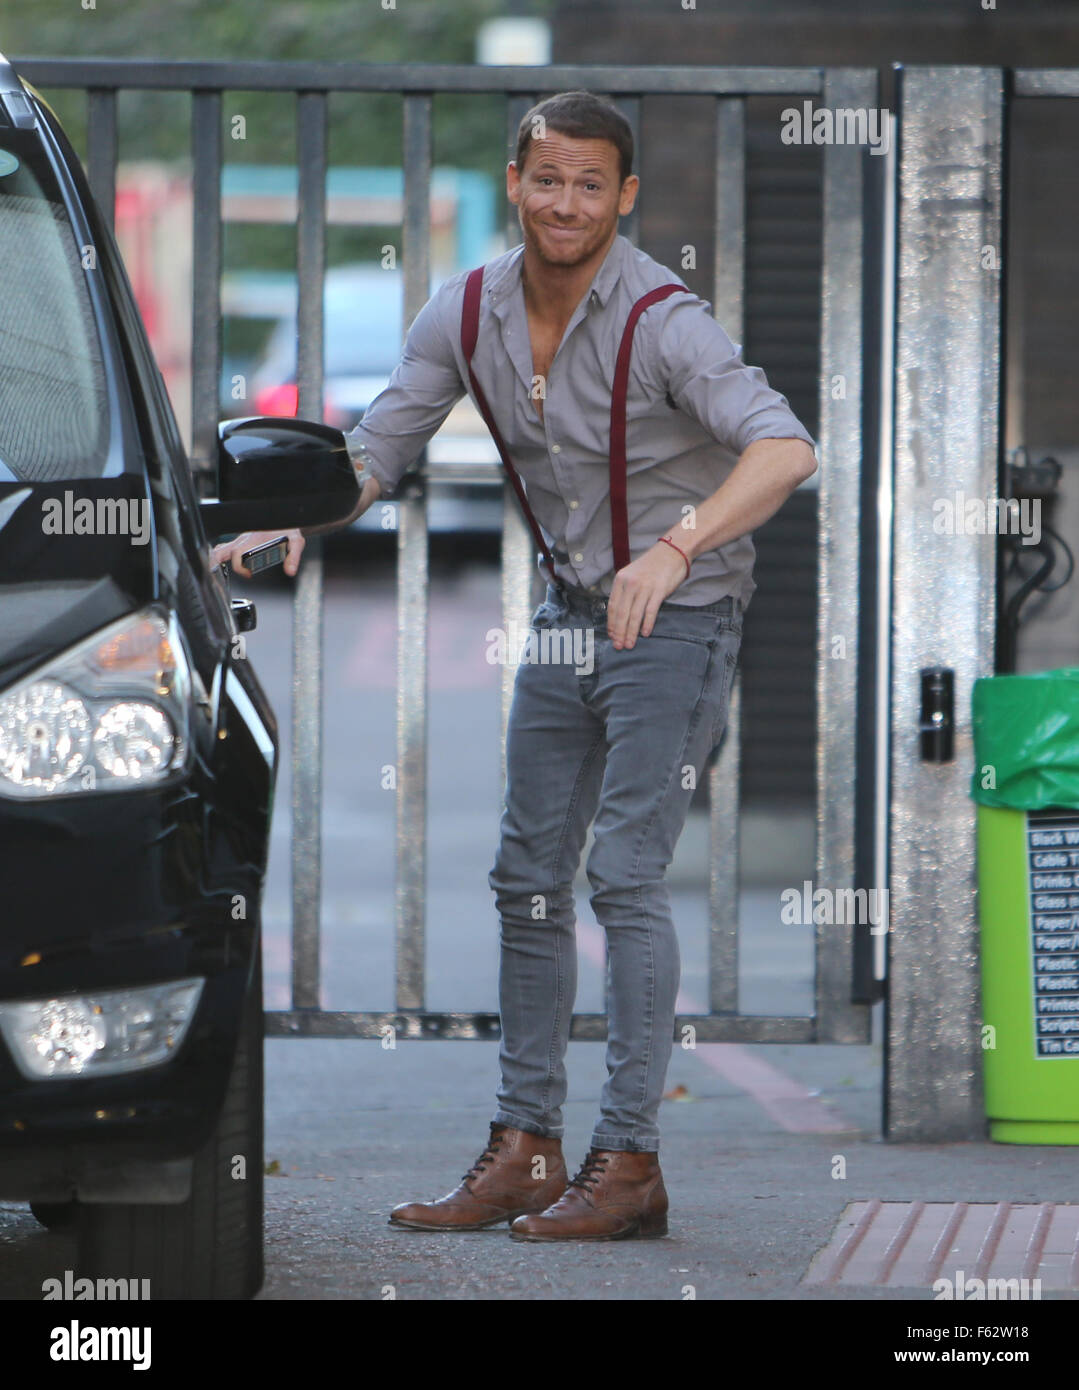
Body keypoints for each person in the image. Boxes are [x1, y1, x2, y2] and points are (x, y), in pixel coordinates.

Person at [213, 89, 817, 1242]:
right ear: (515, 182)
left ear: (624, 196)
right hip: (566, 613)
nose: (567, 202)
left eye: (592, 184)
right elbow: (379, 445)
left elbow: (786, 445)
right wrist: (302, 513)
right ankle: (526, 1146)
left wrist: (676, 547)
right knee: (524, 877)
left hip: (680, 616)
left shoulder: (663, 319)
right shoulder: (467, 309)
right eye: (548, 179)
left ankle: (628, 1159)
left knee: (624, 879)